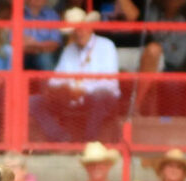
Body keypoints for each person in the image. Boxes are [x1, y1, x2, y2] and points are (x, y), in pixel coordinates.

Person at [29, 8, 121, 142]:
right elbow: (55, 81)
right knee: (34, 102)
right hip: (71, 99)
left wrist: (83, 90)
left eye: (81, 28)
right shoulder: (69, 50)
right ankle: (61, 138)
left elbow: (110, 84)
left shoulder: (106, 46)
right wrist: (66, 89)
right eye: (75, 30)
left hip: (99, 100)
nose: (79, 33)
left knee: (100, 95)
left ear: (90, 27)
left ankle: (90, 143)